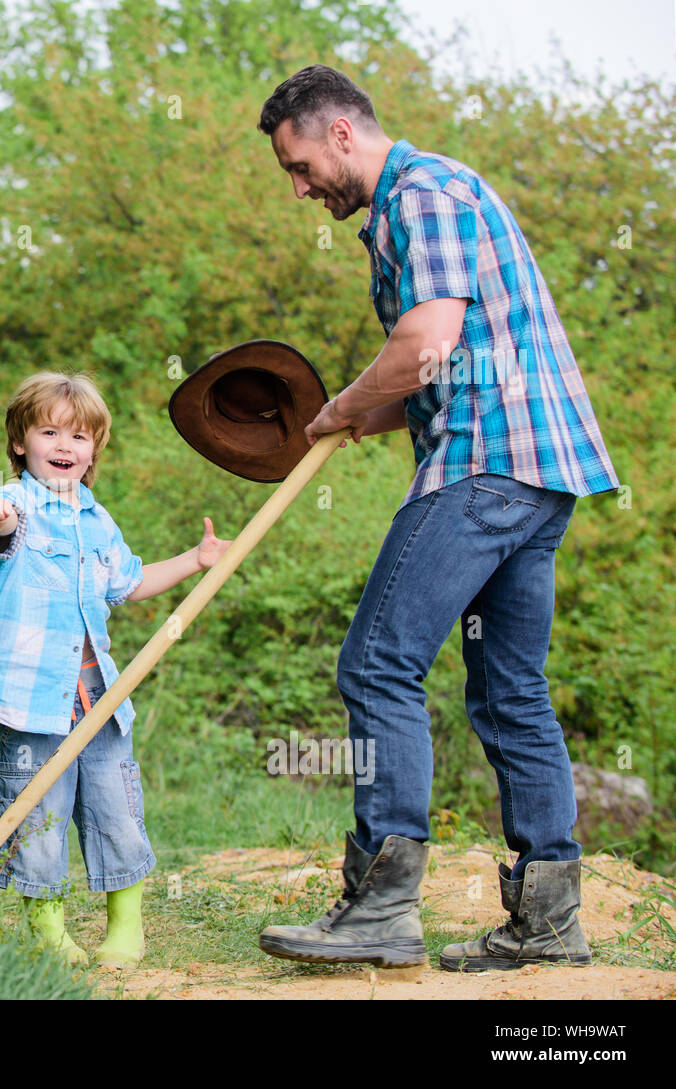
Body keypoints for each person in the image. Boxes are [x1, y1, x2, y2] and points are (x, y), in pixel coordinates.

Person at [252, 65, 617, 970]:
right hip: (536, 475)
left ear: (341, 132)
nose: (299, 189)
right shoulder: (411, 211)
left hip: (487, 466)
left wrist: (345, 400)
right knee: (510, 692)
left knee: (378, 662)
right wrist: (345, 417)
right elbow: (435, 367)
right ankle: (549, 917)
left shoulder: (428, 192)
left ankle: (380, 906)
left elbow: (423, 348)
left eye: (299, 165)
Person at [0, 371, 229, 967]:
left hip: (98, 692)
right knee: (38, 809)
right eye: (50, 432)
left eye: (80, 437)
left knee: (115, 804)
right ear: (20, 443)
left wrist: (196, 559)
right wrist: (0, 519)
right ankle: (48, 929)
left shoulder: (96, 518)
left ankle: (125, 922)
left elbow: (130, 583)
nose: (66, 446)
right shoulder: (15, 506)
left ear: (94, 449)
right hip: (29, 695)